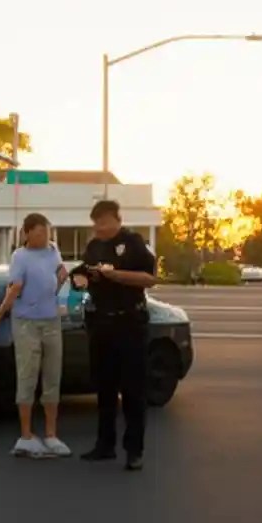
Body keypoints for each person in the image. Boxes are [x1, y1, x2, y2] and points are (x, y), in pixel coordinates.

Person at [69, 200, 158, 469]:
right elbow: (81, 274)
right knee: (104, 389)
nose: (100, 228)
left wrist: (116, 275)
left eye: (104, 222)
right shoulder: (94, 246)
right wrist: (80, 280)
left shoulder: (133, 242)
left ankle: (134, 451)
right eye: (96, 223)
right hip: (101, 325)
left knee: (132, 390)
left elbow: (149, 278)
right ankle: (104, 445)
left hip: (129, 324)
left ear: (117, 220)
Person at [0, 213, 71, 458]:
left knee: (52, 375)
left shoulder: (53, 250)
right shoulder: (20, 257)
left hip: (52, 321)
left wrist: (63, 287)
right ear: (26, 234)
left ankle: (51, 434)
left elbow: (61, 274)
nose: (44, 237)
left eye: (46, 232)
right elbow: (14, 288)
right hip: (26, 323)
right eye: (38, 233)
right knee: (27, 376)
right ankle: (26, 435)